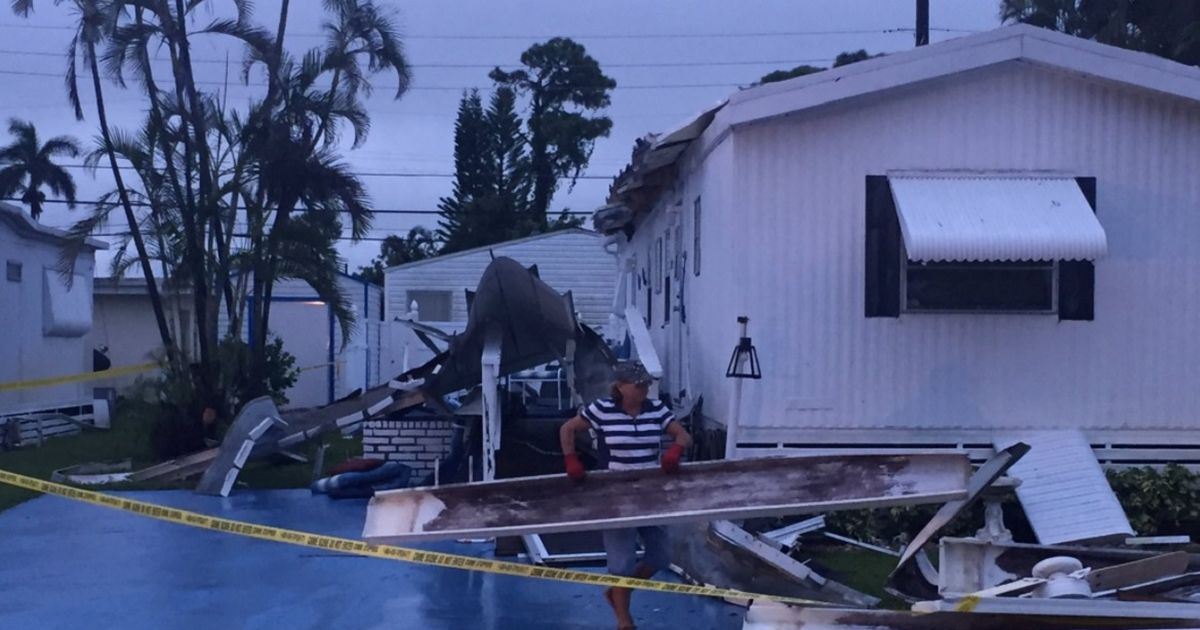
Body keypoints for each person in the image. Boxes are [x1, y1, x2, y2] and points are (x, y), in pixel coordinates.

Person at [559, 360, 692, 630]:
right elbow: (567, 428)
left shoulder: (656, 409)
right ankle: (624, 620)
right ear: (620, 386)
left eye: (646, 385)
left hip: (649, 492)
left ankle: (619, 593)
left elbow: (683, 435)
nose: (643, 389)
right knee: (621, 563)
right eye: (638, 385)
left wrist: (675, 452)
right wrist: (571, 459)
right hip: (615, 494)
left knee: (660, 555)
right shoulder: (602, 409)